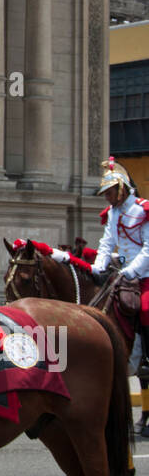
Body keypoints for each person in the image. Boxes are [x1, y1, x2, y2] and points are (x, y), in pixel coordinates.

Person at [91, 157, 149, 438]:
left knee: (146, 308)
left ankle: (146, 357)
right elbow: (106, 243)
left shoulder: (142, 210)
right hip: (122, 271)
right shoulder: (112, 214)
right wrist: (98, 267)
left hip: (144, 272)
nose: (109, 197)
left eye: (112, 191)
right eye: (106, 194)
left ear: (123, 188)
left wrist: (131, 270)